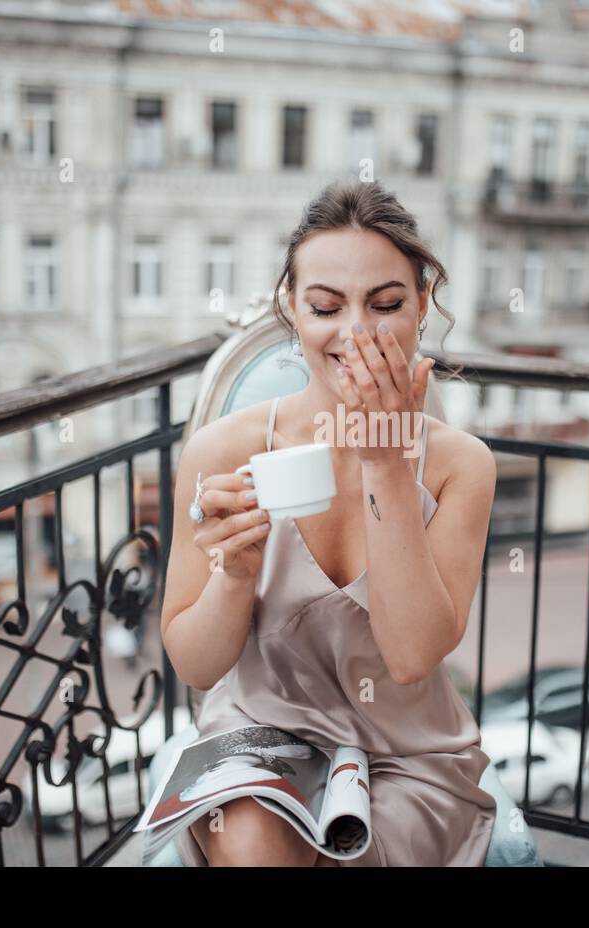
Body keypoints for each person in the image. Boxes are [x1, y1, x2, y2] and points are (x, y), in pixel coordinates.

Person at [159, 180, 498, 867]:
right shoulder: (223, 451)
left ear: (423, 304)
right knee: (252, 845)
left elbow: (409, 657)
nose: (356, 333)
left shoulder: (462, 465)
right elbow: (195, 664)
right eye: (325, 306)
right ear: (292, 307)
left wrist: (386, 463)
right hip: (263, 731)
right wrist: (235, 575)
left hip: (408, 752)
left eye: (386, 304)